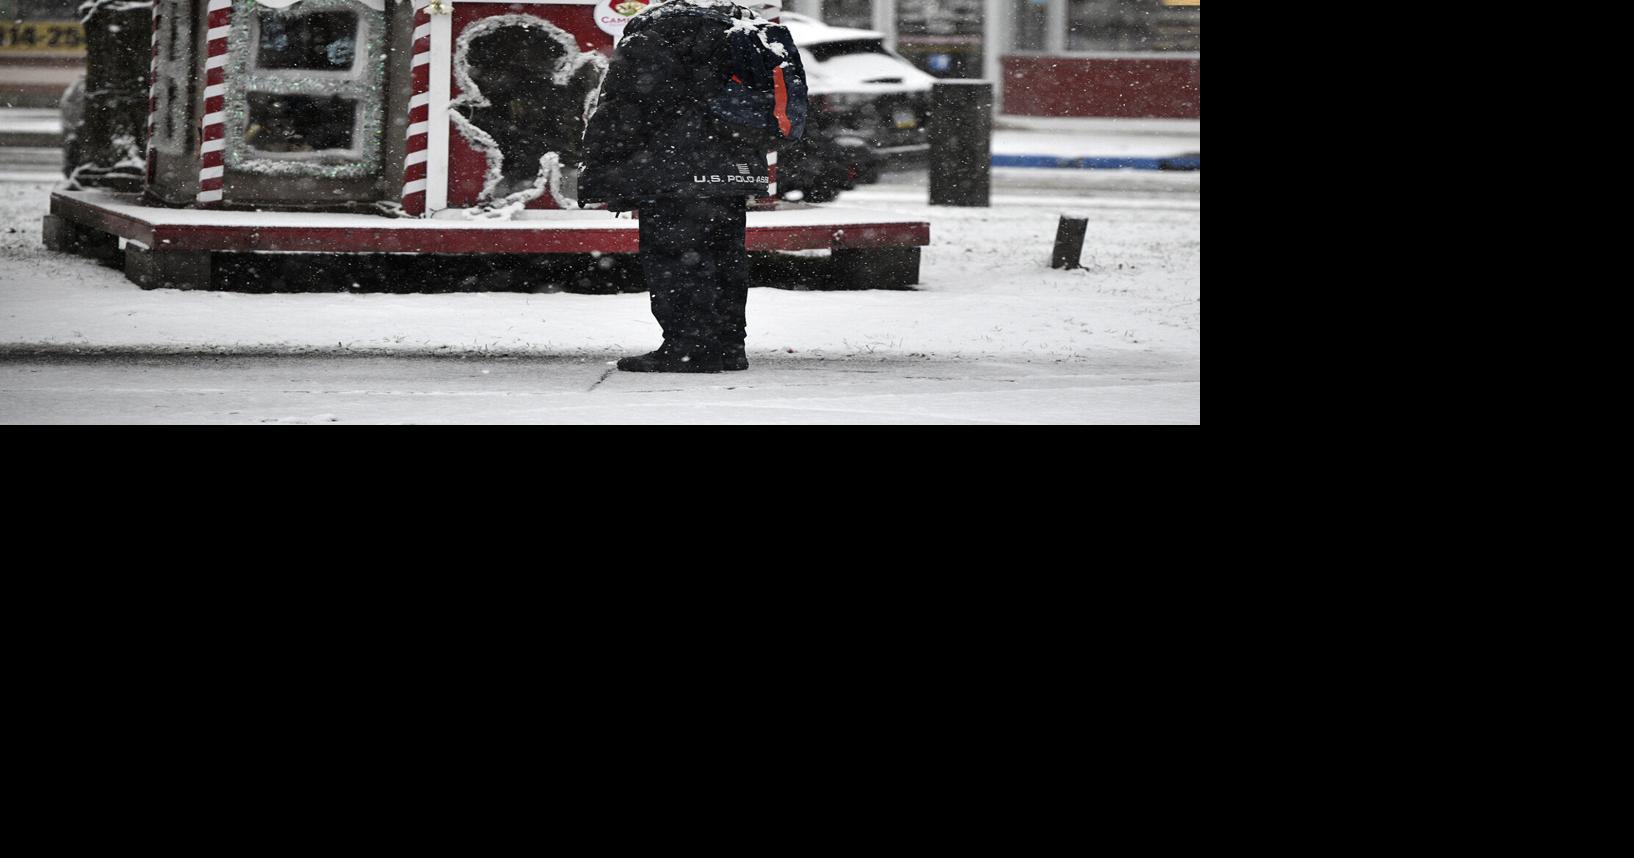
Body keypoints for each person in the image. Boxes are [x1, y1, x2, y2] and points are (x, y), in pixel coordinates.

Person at [578, 0, 804, 373]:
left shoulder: (653, 32)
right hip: (732, 167)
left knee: (675, 260)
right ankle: (729, 345)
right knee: (723, 256)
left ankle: (688, 347)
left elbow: (625, 107)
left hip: (673, 169)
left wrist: (605, 168)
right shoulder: (739, 29)